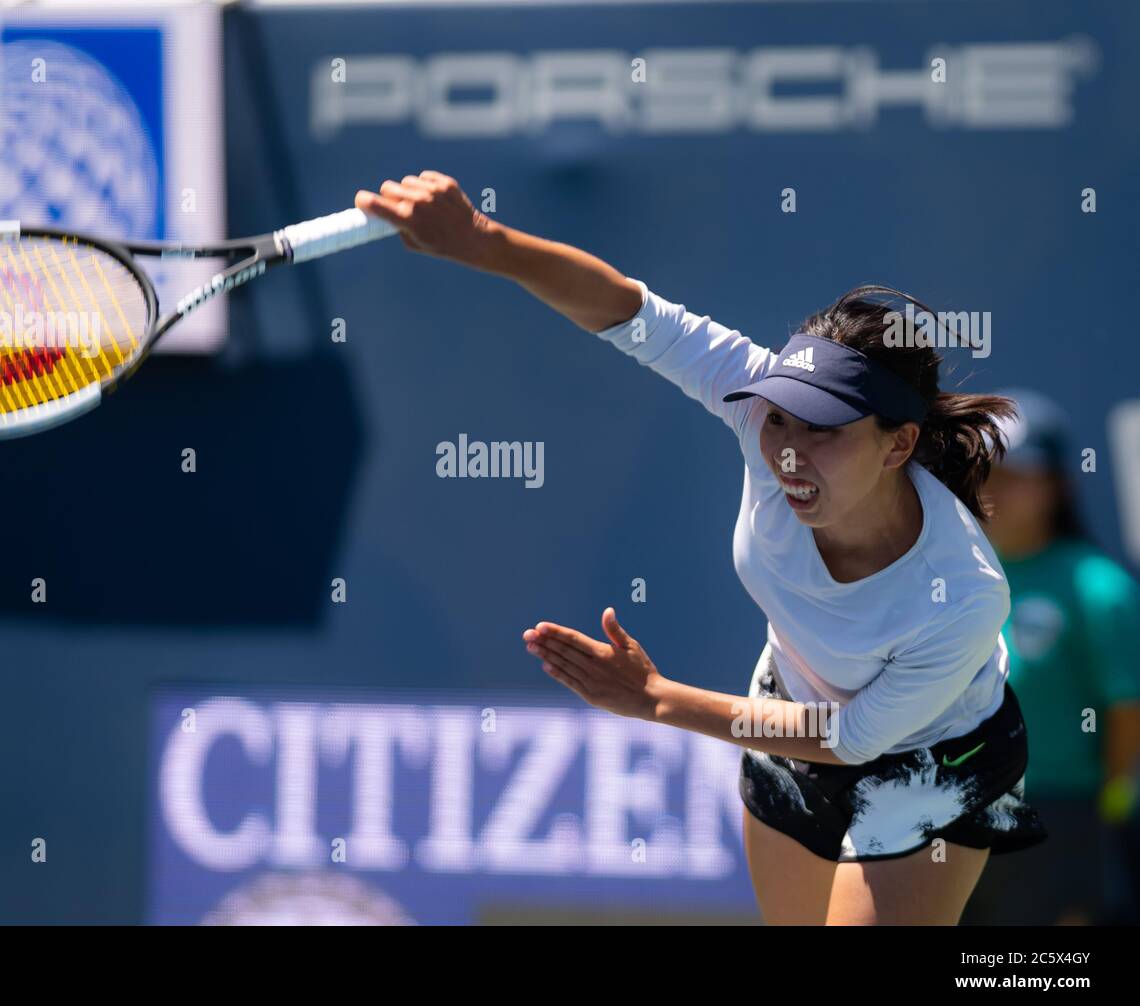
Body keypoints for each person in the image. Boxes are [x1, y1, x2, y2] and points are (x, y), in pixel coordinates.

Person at [357, 172, 1048, 925]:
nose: (789, 451)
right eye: (782, 420)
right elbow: (628, 310)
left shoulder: (965, 592)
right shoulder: (757, 415)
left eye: (824, 430)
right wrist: (486, 244)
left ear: (898, 445)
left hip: (933, 759)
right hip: (788, 715)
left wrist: (658, 700)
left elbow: (852, 739)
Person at [962, 390, 1140, 925]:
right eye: (985, 472)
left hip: (1060, 819)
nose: (997, 490)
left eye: (1018, 476)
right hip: (953, 814)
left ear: (1058, 487)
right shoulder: (947, 575)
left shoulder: (1098, 589)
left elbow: (1127, 713)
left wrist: (1098, 809)